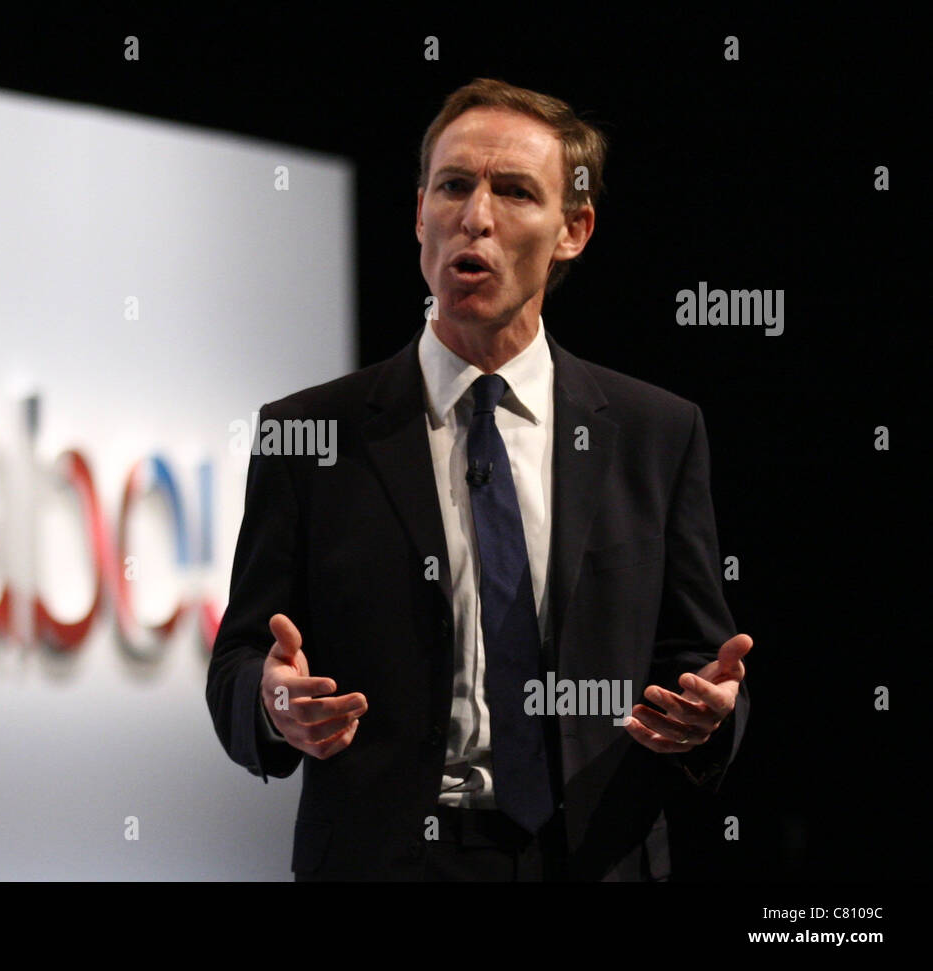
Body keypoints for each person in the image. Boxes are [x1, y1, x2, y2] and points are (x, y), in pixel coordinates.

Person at [205, 77, 751, 881]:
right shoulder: (311, 433)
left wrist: (706, 716)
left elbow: (696, 655)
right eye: (454, 185)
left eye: (515, 192)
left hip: (593, 857)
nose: (477, 216)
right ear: (419, 210)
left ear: (574, 229)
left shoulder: (655, 433)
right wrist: (273, 701)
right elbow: (241, 658)